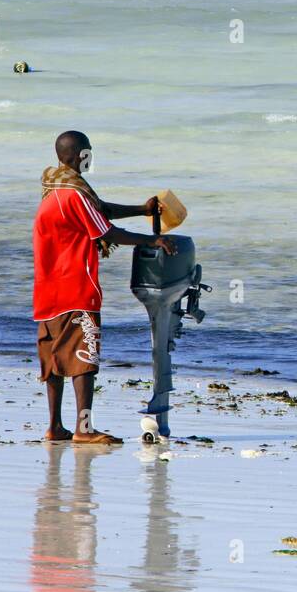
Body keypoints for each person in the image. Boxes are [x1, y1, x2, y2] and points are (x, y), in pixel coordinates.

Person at [33, 130, 175, 444]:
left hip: (46, 290)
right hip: (75, 287)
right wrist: (153, 239)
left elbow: (98, 210)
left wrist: (141, 209)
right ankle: (84, 430)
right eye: (88, 151)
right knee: (85, 358)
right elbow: (107, 232)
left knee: (55, 360)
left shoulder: (55, 187)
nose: (91, 156)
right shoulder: (75, 194)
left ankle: (55, 427)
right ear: (79, 155)